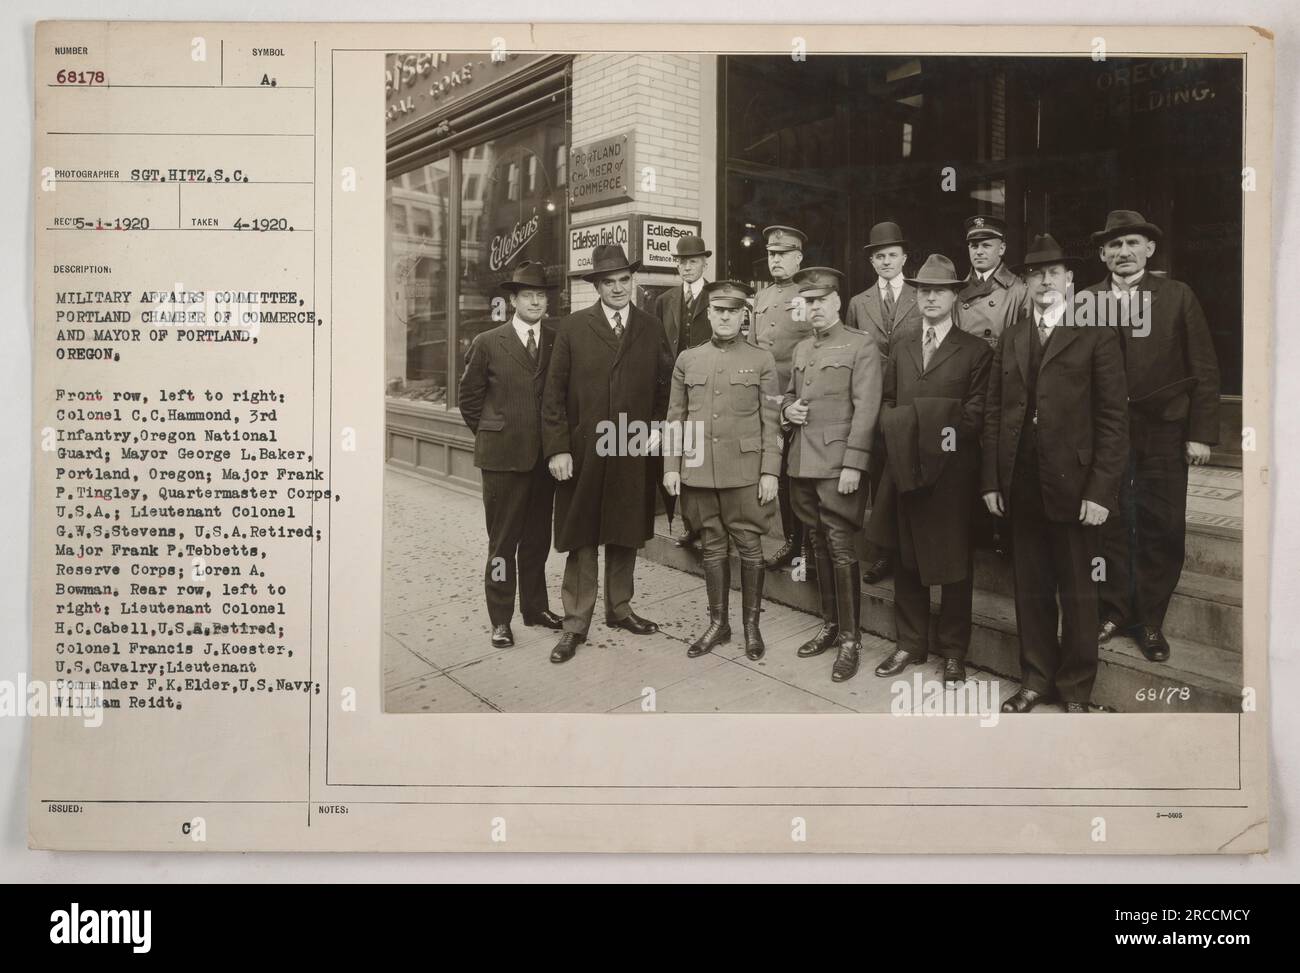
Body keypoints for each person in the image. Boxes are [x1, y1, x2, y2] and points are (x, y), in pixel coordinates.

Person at [981, 235, 1128, 713]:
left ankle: (1075, 690)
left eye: (1053, 271)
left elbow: (1113, 420)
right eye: (1035, 273)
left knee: (1080, 594)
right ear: (1026, 282)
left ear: (1070, 279)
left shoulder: (1097, 334)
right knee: (1032, 589)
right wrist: (990, 481)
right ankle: (1035, 680)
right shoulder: (1013, 335)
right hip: (1021, 484)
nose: (1044, 280)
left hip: (1076, 487)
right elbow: (993, 413)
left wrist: (1101, 489)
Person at [1085, 210, 1221, 662]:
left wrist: (1200, 433)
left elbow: (1202, 367)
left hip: (1163, 428)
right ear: (1103, 254)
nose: (1123, 253)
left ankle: (1149, 619)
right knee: (1111, 519)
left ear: (1149, 249)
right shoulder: (1087, 300)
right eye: (1114, 246)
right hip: (1104, 432)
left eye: (1132, 244)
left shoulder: (1177, 295)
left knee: (1162, 522)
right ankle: (1114, 609)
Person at [541, 244, 673, 664]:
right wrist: (558, 448)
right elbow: (553, 396)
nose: (618, 288)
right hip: (584, 449)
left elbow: (665, 387)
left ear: (631, 282)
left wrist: (654, 431)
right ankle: (575, 622)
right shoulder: (574, 327)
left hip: (631, 444)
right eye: (609, 282)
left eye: (624, 280)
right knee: (581, 535)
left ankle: (620, 609)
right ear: (597, 286)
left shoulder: (650, 327)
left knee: (625, 530)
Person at [867, 254, 991, 687]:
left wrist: (924, 431)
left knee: (954, 566)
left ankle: (954, 652)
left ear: (955, 296)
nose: (931, 297)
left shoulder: (975, 350)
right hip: (905, 469)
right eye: (924, 290)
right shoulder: (900, 346)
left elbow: (976, 415)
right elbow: (885, 403)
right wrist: (900, 433)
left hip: (951, 475)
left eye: (940, 290)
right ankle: (910, 643)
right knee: (907, 559)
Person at [663, 281, 781, 660]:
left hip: (745, 472)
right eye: (719, 310)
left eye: (733, 311)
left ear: (744, 315)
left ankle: (751, 626)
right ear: (709, 314)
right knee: (712, 548)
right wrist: (671, 466)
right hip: (699, 472)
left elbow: (771, 422)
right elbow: (675, 418)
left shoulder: (761, 360)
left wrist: (770, 471)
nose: (726, 317)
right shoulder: (688, 359)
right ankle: (718, 623)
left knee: (749, 547)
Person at [781, 267, 881, 682]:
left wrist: (855, 464)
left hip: (838, 464)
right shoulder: (803, 349)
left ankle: (851, 639)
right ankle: (830, 624)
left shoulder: (861, 345)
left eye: (821, 300)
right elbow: (788, 394)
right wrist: (788, 410)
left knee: (840, 546)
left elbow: (867, 408)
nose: (815, 308)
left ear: (838, 301)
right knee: (818, 544)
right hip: (803, 463)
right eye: (808, 301)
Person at [458, 261, 564, 647]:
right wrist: (495, 434)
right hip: (503, 461)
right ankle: (500, 619)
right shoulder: (488, 341)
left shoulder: (556, 339)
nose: (536, 301)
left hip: (544, 462)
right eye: (528, 295)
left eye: (542, 295)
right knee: (502, 543)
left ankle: (535, 608)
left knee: (537, 540)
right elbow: (469, 401)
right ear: (513, 299)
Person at [844, 220, 922, 584]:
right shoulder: (858, 303)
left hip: (909, 402)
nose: (886, 261)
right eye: (879, 257)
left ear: (905, 257)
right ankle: (881, 554)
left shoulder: (923, 296)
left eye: (892, 254)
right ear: (872, 263)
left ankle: (909, 551)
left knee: (906, 474)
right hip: (871, 406)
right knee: (877, 477)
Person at [748, 225, 813, 573]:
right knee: (780, 473)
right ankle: (791, 541)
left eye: (783, 254)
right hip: (768, 401)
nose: (775, 260)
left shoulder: (810, 294)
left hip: (801, 402)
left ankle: (808, 547)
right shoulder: (761, 298)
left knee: (800, 477)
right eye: (772, 254)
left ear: (798, 257)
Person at [656, 234, 714, 550]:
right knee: (680, 457)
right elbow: (658, 348)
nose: (686, 267)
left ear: (704, 262)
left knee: (703, 456)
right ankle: (689, 525)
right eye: (681, 261)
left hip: (708, 388)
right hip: (675, 393)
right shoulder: (665, 301)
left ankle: (709, 527)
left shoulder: (717, 296)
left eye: (692, 261)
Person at [957, 215, 1028, 349]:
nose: (979, 252)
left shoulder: (1018, 290)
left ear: (1001, 249)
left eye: (986, 246)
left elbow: (1026, 344)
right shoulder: (957, 290)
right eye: (974, 246)